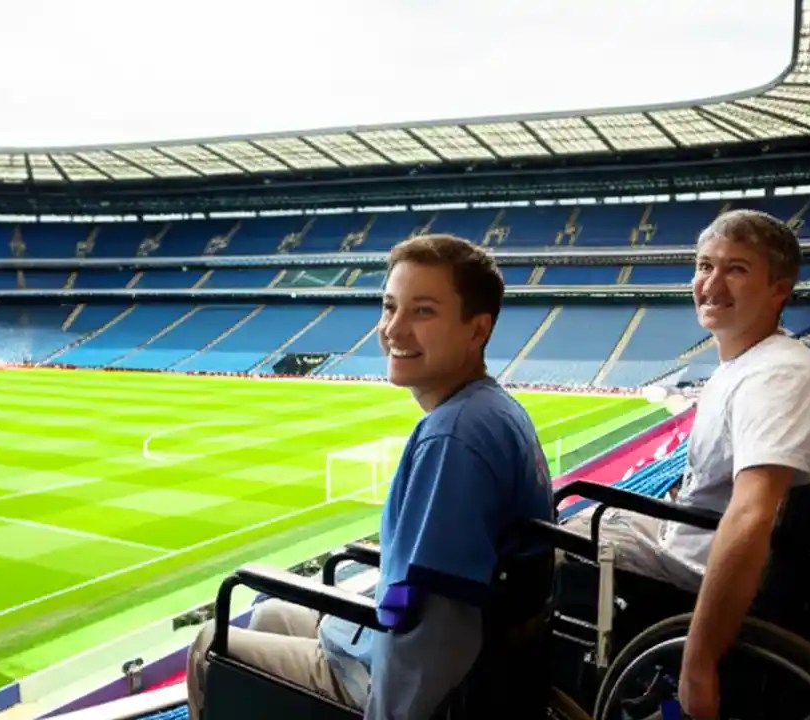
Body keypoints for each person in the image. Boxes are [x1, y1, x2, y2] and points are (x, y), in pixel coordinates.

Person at [186, 233, 554, 719]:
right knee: (270, 611)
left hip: (412, 680)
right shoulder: (490, 409)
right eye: (389, 307)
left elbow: (441, 628)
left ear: (476, 330)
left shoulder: (453, 438)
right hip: (471, 659)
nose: (393, 330)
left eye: (422, 311)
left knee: (211, 641)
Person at [560, 209, 810, 720]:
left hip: (702, 565)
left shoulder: (775, 377)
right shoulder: (751, 365)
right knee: (579, 521)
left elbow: (751, 515)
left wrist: (700, 660)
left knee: (547, 546)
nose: (711, 283)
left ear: (779, 290)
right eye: (704, 265)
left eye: (736, 269)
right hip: (705, 542)